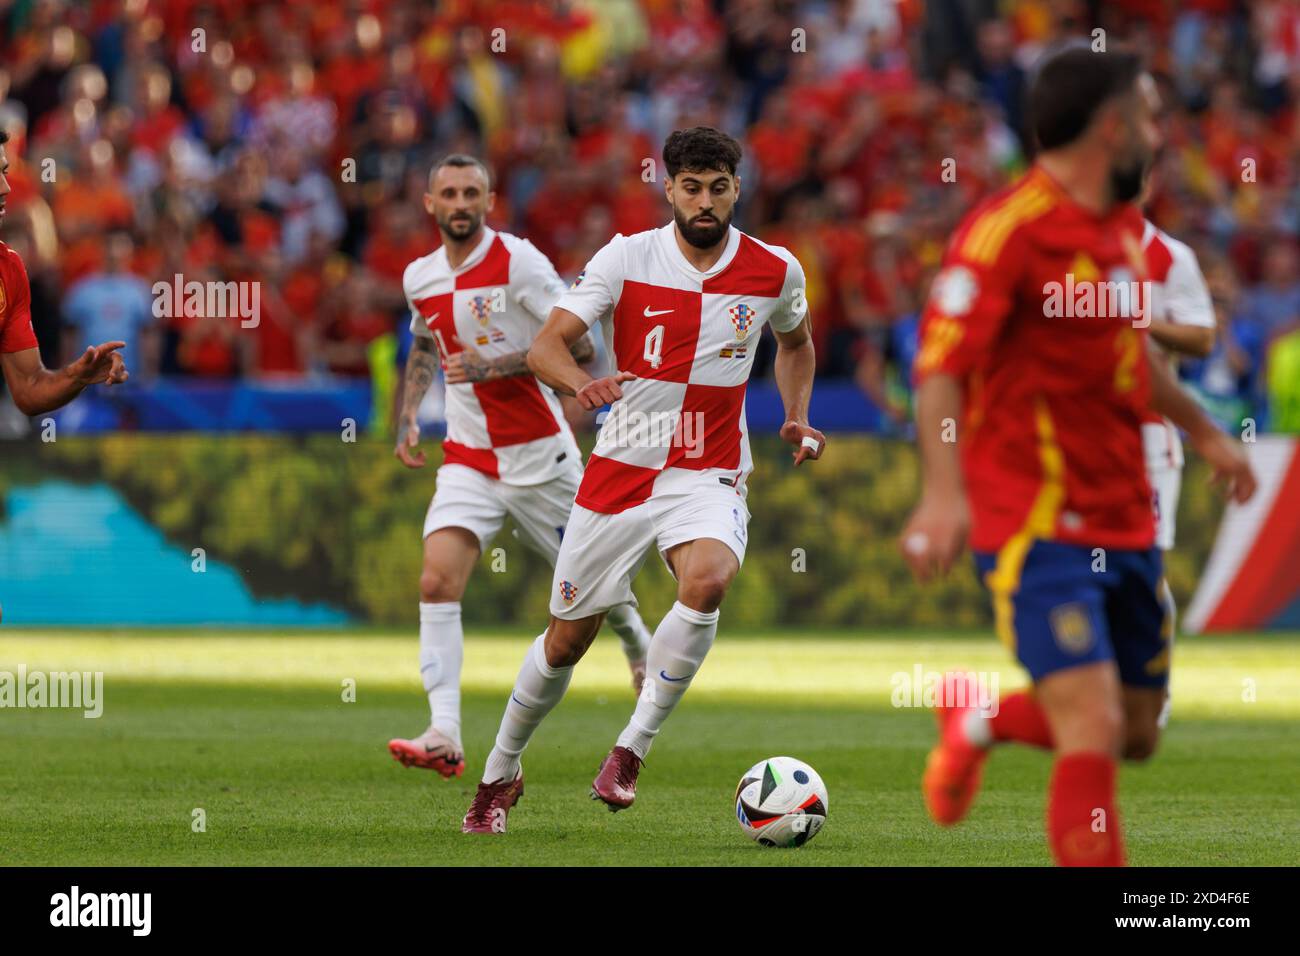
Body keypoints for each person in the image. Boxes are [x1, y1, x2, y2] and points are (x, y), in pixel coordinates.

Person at [898, 47, 1256, 866]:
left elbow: (1131, 360)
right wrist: (944, 495)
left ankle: (980, 717)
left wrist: (1203, 433)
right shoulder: (1005, 232)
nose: (1162, 135)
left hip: (1126, 512)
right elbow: (939, 368)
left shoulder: (1128, 238)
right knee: (1091, 725)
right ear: (1111, 125)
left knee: (1135, 732)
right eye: (1152, 117)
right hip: (1033, 515)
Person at [462, 127, 825, 834]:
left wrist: (796, 416)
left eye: (718, 187)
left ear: (735, 190)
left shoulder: (775, 269)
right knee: (567, 641)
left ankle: (631, 749)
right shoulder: (626, 257)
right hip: (621, 470)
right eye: (691, 187)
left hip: (707, 468)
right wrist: (581, 382)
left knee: (709, 579)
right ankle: (499, 774)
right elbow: (543, 346)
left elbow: (798, 343)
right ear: (669, 187)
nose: (705, 201)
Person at [388, 154, 653, 779]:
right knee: (435, 581)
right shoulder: (419, 277)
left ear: (489, 199)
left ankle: (637, 643)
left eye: (471, 192)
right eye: (448, 192)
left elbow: (580, 346)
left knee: (591, 587)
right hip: (469, 458)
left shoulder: (520, 263)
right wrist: (406, 414)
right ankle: (445, 733)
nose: (459, 203)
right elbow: (428, 339)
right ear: (430, 204)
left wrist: (493, 365)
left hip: (542, 457)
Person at [0, 129, 128, 416]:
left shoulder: (9, 269)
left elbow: (29, 387)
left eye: (5, 172)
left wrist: (76, 377)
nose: (6, 187)